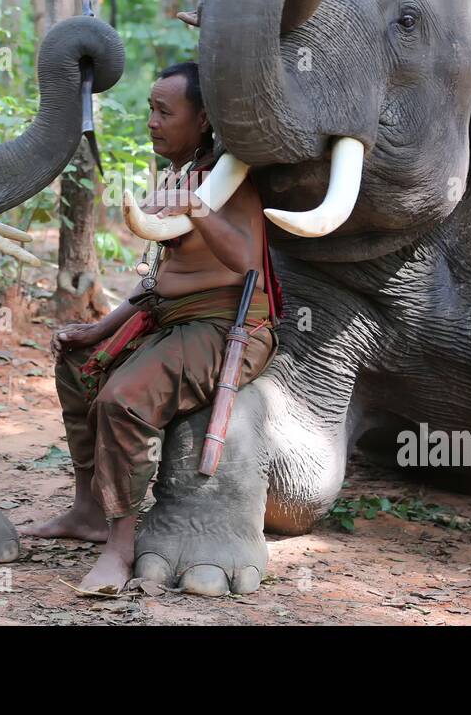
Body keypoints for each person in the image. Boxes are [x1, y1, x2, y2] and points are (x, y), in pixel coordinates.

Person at [26, 61, 280, 593]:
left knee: (124, 399)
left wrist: (197, 207)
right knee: (78, 366)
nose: (152, 122)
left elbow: (243, 258)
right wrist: (99, 329)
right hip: (167, 320)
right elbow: (157, 281)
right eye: (150, 110)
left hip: (223, 327)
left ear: (203, 118)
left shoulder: (228, 180)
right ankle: (89, 511)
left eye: (165, 112)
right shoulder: (181, 175)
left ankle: (120, 548)